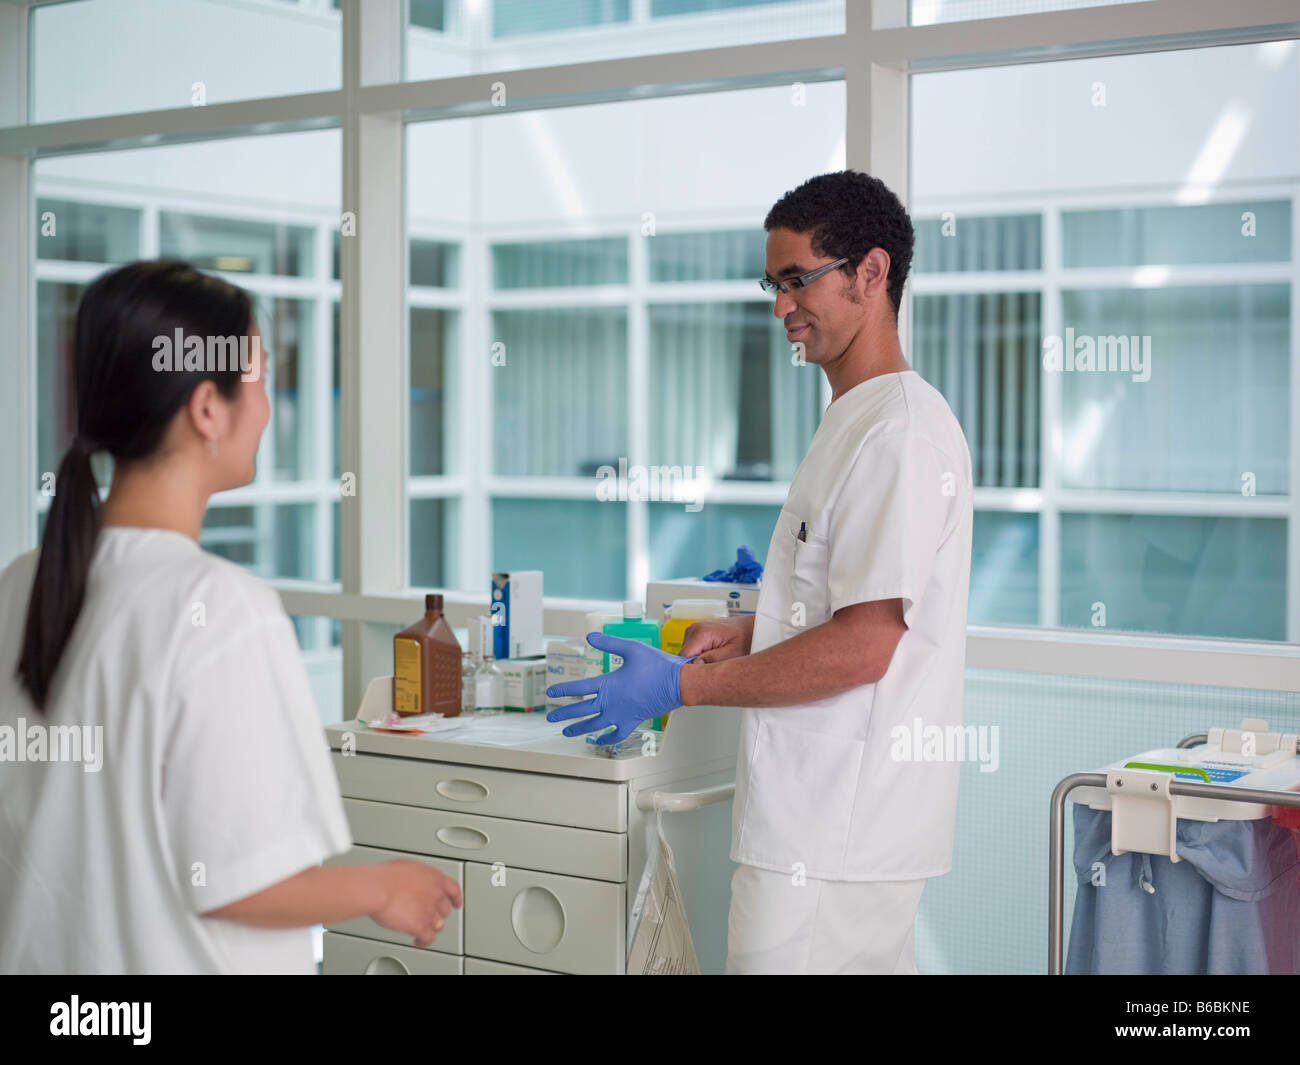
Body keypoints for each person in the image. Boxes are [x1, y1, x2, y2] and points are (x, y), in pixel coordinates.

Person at [546, 171, 973, 974]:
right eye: (773, 284)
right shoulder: (854, 420)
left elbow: (863, 647)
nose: (781, 307)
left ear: (871, 274)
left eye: (799, 280)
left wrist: (679, 688)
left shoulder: (899, 435)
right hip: (824, 828)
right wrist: (755, 630)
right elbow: (848, 609)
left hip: (835, 832)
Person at [0, 260, 461, 974]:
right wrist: (385, 886)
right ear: (207, 406)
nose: (270, 406)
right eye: (260, 376)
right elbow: (238, 875)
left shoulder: (22, 583)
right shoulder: (220, 610)